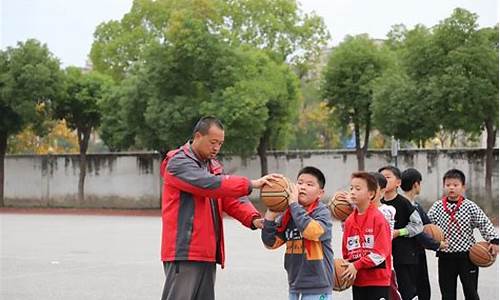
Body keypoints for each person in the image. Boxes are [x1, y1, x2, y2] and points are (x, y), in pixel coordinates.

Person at [159, 116, 281, 300]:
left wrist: (254, 218)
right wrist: (252, 183)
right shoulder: (177, 162)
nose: (216, 148)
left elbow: (230, 198)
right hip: (185, 252)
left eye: (220, 143)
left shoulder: (213, 166)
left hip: (207, 253)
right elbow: (210, 184)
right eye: (213, 142)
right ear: (198, 136)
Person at [261, 166, 333, 300]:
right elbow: (270, 243)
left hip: (317, 286)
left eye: (309, 184)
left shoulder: (322, 212)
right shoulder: (289, 215)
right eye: (299, 183)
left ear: (320, 193)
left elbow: (312, 232)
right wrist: (270, 216)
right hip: (295, 285)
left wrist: (294, 205)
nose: (303, 187)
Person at [428, 169, 499, 300]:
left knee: (471, 292)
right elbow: (428, 226)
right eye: (448, 185)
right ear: (444, 186)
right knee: (447, 294)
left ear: (463, 187)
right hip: (445, 257)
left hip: (468, 257)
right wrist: (427, 241)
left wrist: (494, 240)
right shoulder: (437, 207)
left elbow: (484, 222)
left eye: (455, 185)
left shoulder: (469, 206)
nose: (451, 188)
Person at [342, 172, 392, 300]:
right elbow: (347, 253)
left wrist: (357, 265)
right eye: (351, 188)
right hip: (358, 281)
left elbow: (380, 254)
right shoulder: (349, 222)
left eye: (358, 189)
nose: (353, 192)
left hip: (378, 281)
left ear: (371, 194)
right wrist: (344, 267)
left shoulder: (379, 219)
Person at [401, 168, 448, 300]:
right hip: (407, 256)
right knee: (412, 292)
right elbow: (418, 232)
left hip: (418, 254)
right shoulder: (404, 206)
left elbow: (428, 225)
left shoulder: (416, 205)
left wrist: (440, 233)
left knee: (423, 291)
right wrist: (437, 244)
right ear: (416, 184)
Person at [378, 165, 423, 300]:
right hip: (383, 257)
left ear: (398, 182)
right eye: (381, 178)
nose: (384, 181)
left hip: (403, 256)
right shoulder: (376, 204)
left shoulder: (404, 203)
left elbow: (418, 225)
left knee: (405, 292)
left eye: (387, 177)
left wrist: (399, 232)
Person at [370, 172, 401, 300]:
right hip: (364, 267)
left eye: (372, 188)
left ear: (382, 192)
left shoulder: (387, 210)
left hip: (384, 268)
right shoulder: (358, 213)